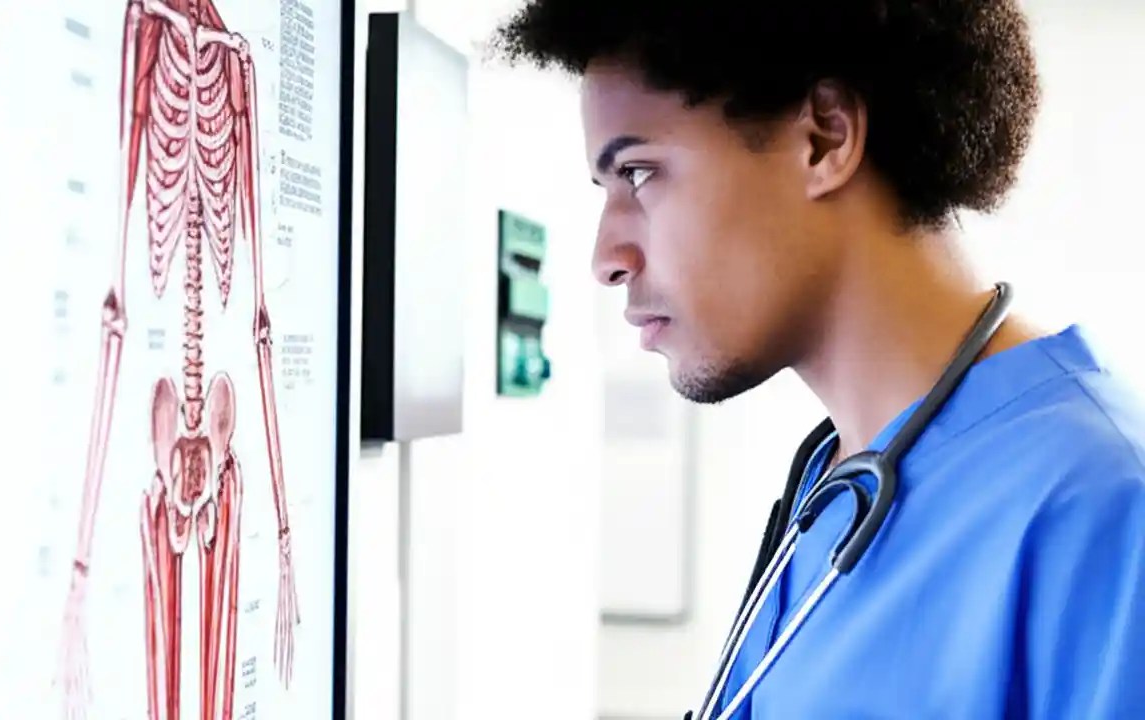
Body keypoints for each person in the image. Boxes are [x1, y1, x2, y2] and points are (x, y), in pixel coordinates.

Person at [490, 1, 1145, 718]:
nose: (604, 259)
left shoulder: (1104, 505)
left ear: (823, 138)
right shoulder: (833, 482)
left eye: (640, 174)